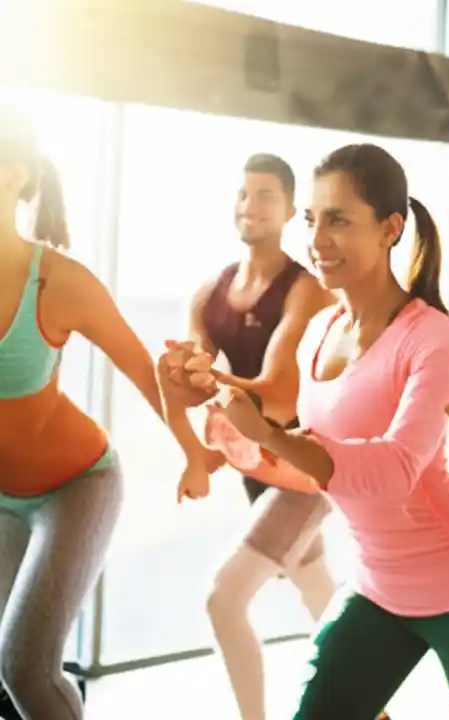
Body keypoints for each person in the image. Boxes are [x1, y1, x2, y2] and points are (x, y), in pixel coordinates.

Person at [188, 143, 449, 719]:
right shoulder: (320, 330)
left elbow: (397, 469)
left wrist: (268, 436)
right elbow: (311, 460)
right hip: (377, 589)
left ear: (390, 228)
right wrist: (220, 410)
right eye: (311, 220)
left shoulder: (433, 338)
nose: (318, 238)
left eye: (339, 221)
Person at [0, 105, 208, 720]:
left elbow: (145, 371)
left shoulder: (57, 282)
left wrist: (194, 454)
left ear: (14, 174)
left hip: (75, 486)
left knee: (27, 667)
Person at [169, 154, 337, 720]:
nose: (251, 205)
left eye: (266, 195)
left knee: (224, 598)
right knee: (315, 587)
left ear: (290, 210)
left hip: (305, 468)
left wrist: (207, 385)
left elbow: (278, 395)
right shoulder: (209, 294)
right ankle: (376, 707)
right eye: (243, 193)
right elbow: (190, 387)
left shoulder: (305, 291)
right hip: (257, 469)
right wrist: (197, 453)